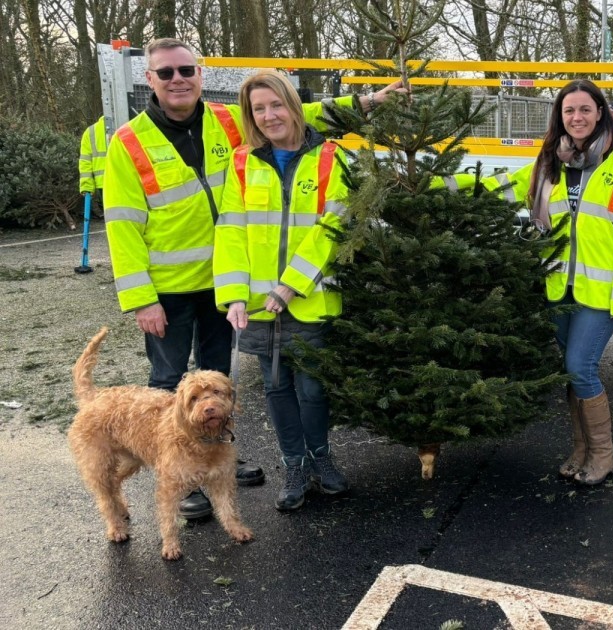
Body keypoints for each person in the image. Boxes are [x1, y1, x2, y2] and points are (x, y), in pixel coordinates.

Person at [104, 37, 404, 519]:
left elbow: (297, 112)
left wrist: (366, 102)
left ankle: (217, 458)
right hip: (169, 287)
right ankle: (179, 474)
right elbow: (121, 223)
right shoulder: (129, 142)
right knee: (168, 384)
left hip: (226, 285)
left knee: (216, 382)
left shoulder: (227, 121)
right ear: (150, 79)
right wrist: (141, 297)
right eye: (167, 73)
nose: (178, 80)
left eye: (186, 70)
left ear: (199, 74)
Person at [438, 80, 613, 485]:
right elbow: (497, 187)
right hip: (557, 288)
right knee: (571, 372)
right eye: (569, 110)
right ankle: (581, 449)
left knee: (580, 367)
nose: (577, 117)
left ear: (601, 113)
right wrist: (437, 185)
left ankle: (604, 456)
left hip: (600, 292)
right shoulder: (550, 164)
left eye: (585, 109)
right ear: (560, 117)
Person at [214, 70, 351, 511]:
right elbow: (231, 232)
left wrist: (292, 285)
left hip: (310, 299)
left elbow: (332, 228)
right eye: (259, 109)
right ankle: (294, 466)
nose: (269, 116)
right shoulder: (242, 163)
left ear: (293, 106)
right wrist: (235, 294)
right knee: (276, 390)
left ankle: (321, 459)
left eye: (276, 105)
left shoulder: (330, 158)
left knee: (312, 390)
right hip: (259, 305)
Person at [78, 116, 107, 203]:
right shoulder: (131, 126)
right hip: (130, 181)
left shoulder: (90, 131)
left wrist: (86, 185)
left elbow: (85, 162)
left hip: (104, 183)